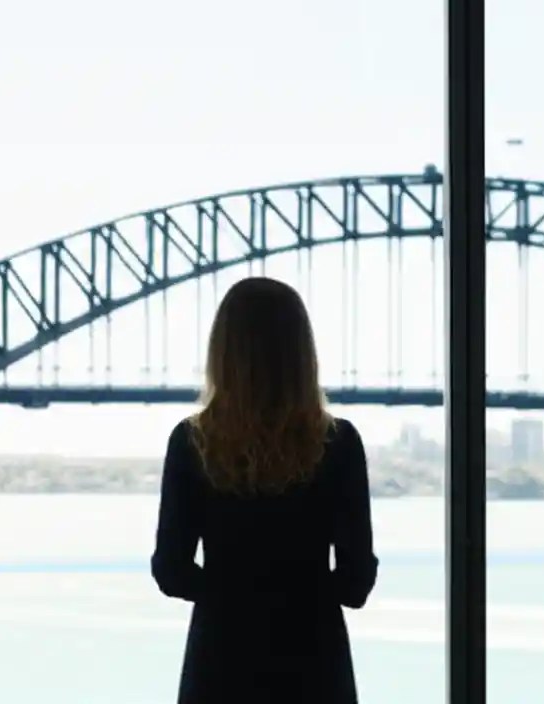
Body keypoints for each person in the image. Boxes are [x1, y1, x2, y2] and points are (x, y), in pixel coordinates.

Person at [151, 277, 378, 703]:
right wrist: (299, 594)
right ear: (302, 353)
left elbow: (171, 570)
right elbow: (356, 583)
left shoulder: (190, 441)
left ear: (222, 352)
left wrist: (232, 596)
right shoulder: (340, 443)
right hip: (314, 664)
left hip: (220, 663)